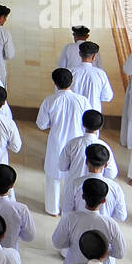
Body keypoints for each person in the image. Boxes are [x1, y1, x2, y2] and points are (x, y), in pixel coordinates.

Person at [37, 67, 89, 215]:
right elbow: (88, 122)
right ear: (71, 82)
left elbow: (41, 124)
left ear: (55, 83)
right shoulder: (82, 101)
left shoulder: (50, 100)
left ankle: (52, 208)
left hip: (56, 142)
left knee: (54, 176)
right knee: (74, 178)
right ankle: (70, 207)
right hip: (77, 143)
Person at [71, 41, 114, 110]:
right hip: (93, 114)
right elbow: (107, 96)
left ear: (80, 54)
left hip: (75, 112)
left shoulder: (71, 72)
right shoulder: (100, 74)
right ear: (94, 56)